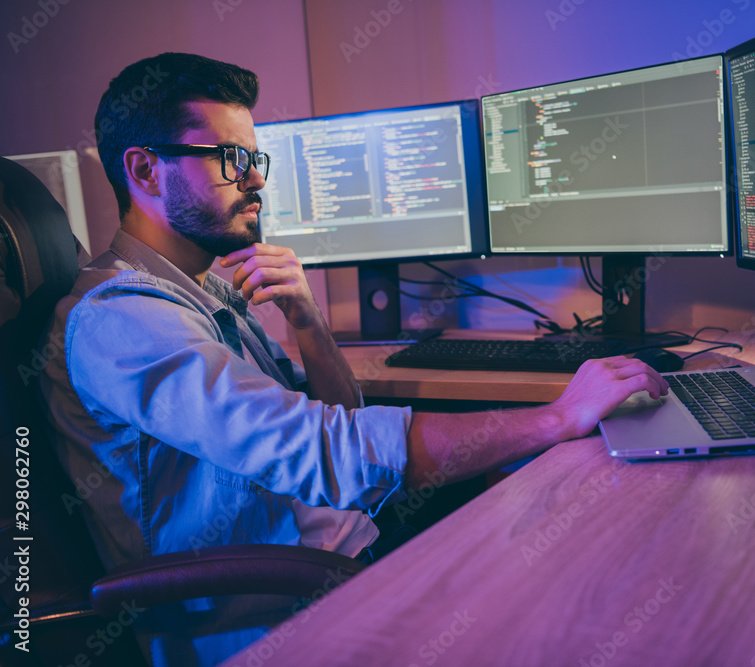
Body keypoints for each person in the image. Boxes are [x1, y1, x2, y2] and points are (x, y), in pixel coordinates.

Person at [39, 52, 667, 666]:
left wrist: (309, 323)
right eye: (231, 160)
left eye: (254, 158)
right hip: (269, 612)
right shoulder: (120, 320)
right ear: (146, 171)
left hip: (337, 552)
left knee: (568, 523)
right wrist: (558, 417)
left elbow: (337, 416)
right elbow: (329, 455)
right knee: (574, 598)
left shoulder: (207, 286)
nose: (256, 179)